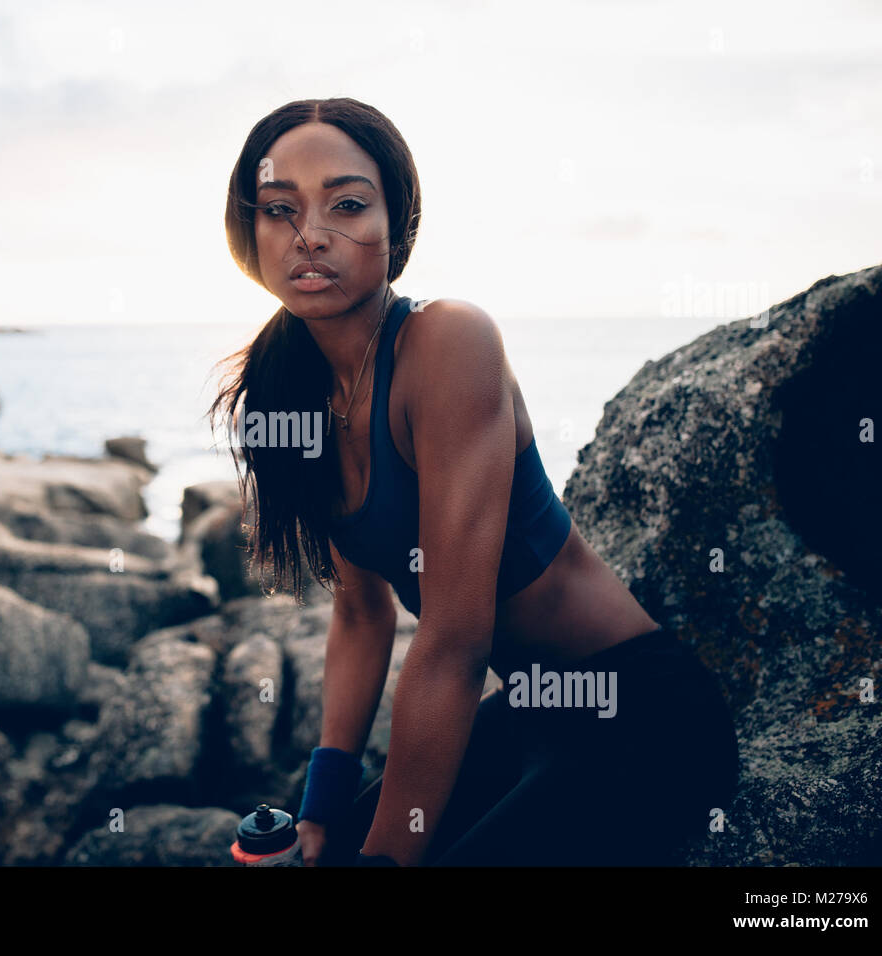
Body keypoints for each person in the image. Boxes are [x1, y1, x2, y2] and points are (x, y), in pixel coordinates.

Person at [207, 97, 739, 867]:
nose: (310, 235)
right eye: (279, 210)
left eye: (348, 204)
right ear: (247, 236)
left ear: (398, 227)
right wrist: (319, 811)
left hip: (643, 716)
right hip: (528, 713)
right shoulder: (287, 389)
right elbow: (360, 616)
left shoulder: (448, 343)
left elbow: (457, 638)